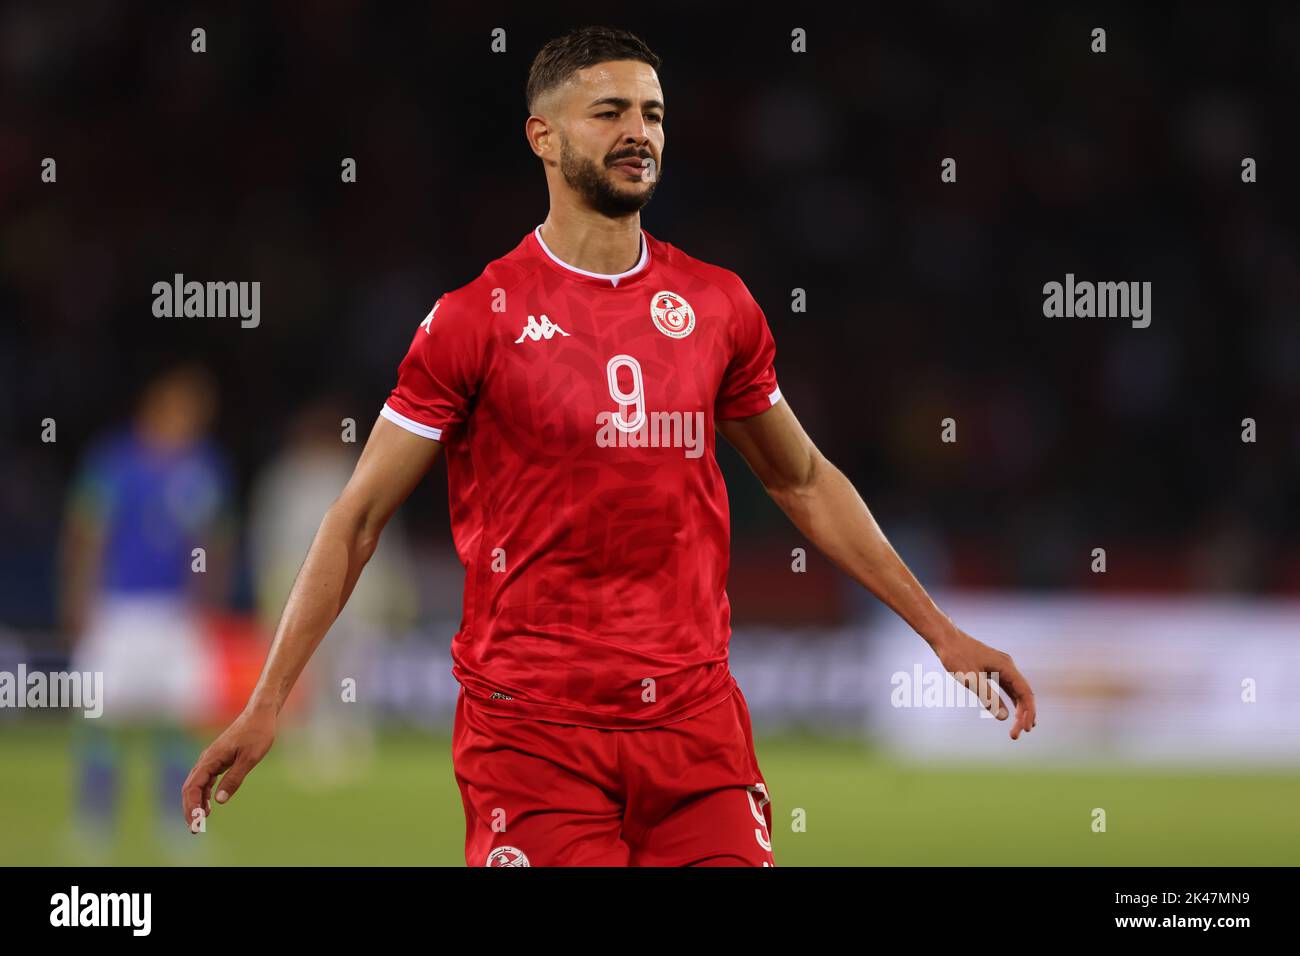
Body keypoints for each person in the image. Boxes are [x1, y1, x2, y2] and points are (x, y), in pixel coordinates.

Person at [183, 25, 1036, 866]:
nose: (640, 132)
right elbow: (357, 518)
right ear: (542, 137)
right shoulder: (474, 320)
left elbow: (804, 480)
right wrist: (269, 702)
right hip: (533, 734)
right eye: (611, 112)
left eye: (655, 114)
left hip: (696, 731)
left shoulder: (717, 306)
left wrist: (940, 631)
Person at [64, 362, 232, 858]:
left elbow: (216, 540)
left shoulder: (204, 466)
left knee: (179, 717)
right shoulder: (115, 461)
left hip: (177, 613)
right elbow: (86, 532)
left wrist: (209, 598)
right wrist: (79, 598)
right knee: (100, 714)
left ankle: (177, 822)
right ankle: (93, 823)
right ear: (158, 406)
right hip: (118, 609)